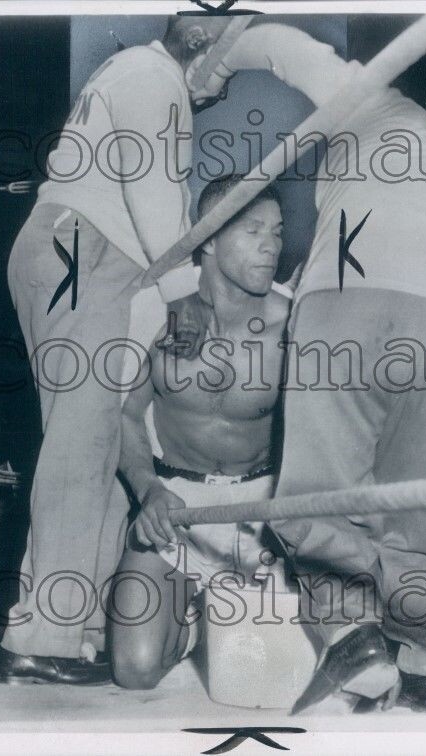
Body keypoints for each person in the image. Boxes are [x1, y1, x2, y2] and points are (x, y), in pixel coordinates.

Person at [216, 23, 426, 714]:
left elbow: (281, 45)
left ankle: (349, 634)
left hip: (355, 312)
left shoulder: (368, 101)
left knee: (323, 496)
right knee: (419, 513)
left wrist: (213, 67)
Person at [0, 18, 238, 686]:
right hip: (82, 248)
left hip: (98, 257)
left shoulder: (153, 83)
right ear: (200, 35)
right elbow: (155, 202)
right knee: (80, 444)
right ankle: (40, 636)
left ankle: (73, 632)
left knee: (97, 445)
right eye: (231, 49)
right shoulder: (151, 77)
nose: (228, 79)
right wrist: (189, 292)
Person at [107, 176, 291, 689]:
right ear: (207, 238)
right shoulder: (156, 314)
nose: (271, 245)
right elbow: (124, 415)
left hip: (265, 513)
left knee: (264, 679)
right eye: (252, 229)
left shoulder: (295, 324)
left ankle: (224, 617)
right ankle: (193, 623)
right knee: (135, 670)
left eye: (277, 231)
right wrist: (149, 492)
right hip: (178, 505)